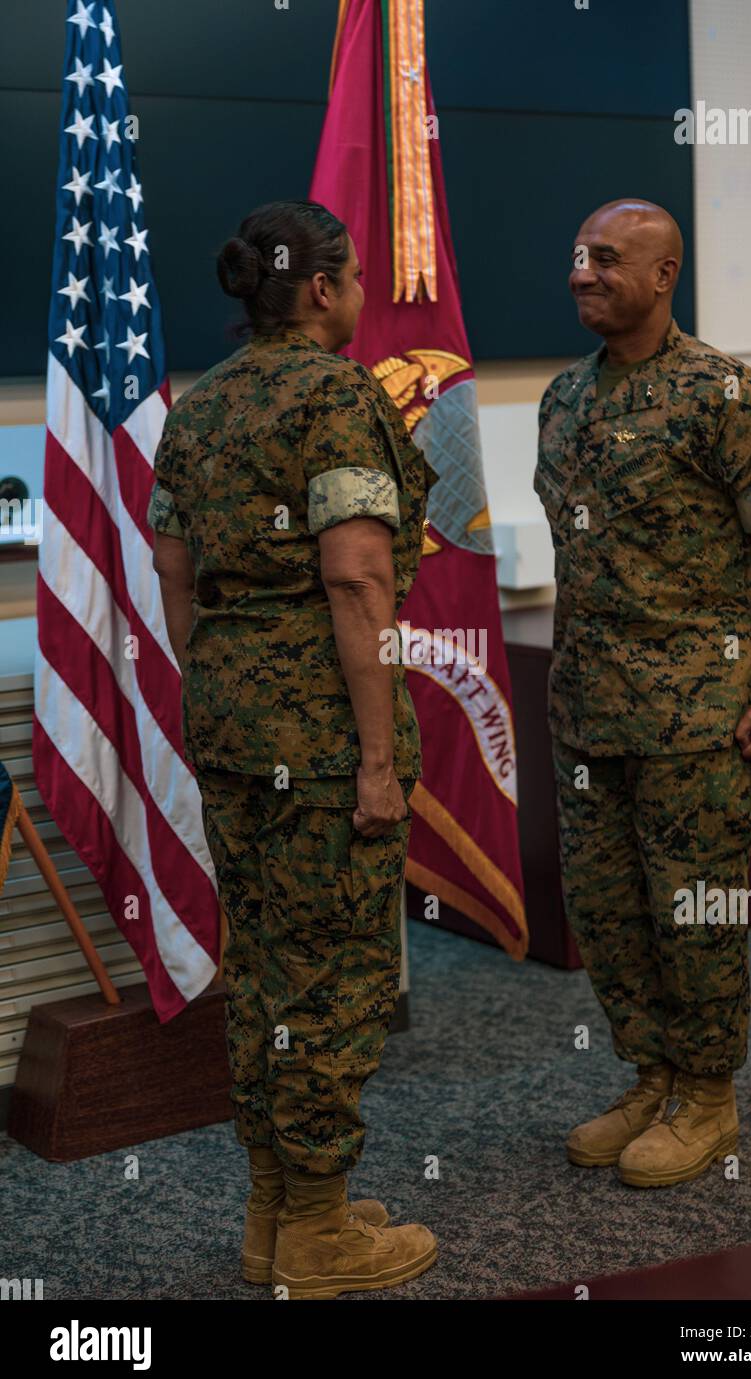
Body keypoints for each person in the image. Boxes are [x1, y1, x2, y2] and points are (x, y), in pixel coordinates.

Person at [147, 200, 438, 1296]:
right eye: (354, 275)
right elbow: (358, 574)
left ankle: (275, 1208)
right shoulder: (331, 394)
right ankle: (316, 1233)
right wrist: (372, 759)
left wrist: (223, 688)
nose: (361, 292)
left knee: (266, 964)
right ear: (318, 288)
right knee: (332, 978)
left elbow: (173, 575)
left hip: (230, 720)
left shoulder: (201, 404)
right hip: (321, 732)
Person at [534, 198, 751, 1188]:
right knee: (608, 914)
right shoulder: (561, 398)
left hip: (697, 716)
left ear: (664, 276)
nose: (583, 272)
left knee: (691, 914)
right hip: (588, 714)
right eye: (578, 257)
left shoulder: (726, 398)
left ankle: (707, 1095)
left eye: (607, 259)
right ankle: (649, 1076)